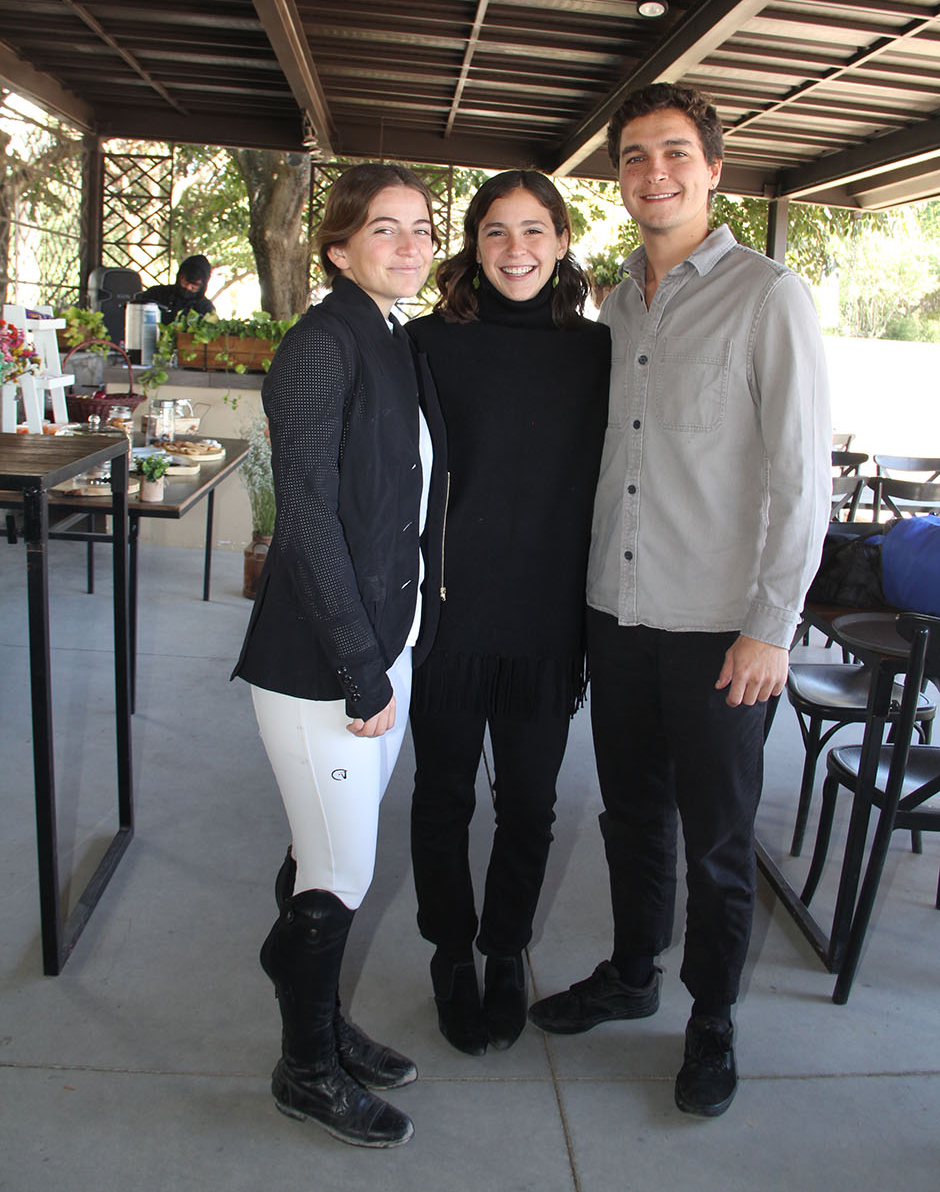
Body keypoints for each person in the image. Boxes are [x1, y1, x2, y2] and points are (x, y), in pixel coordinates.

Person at [528, 84, 831, 1117]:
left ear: (712, 168)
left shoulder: (766, 294)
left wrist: (769, 626)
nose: (651, 172)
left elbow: (801, 479)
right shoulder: (612, 304)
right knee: (630, 816)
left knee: (716, 837)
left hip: (719, 631)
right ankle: (629, 973)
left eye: (672, 153)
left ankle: (709, 1019)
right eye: (632, 157)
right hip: (616, 616)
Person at [232, 163, 446, 1148]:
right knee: (342, 870)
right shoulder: (324, 344)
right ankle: (304, 1068)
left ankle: (314, 1008)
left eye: (421, 229)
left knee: (321, 854)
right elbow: (307, 517)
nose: (409, 246)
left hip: (382, 646)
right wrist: (362, 665)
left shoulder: (391, 336)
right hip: (323, 661)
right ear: (339, 247)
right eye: (385, 230)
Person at [406, 170, 611, 1056]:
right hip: (449, 619)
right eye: (496, 231)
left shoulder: (599, 352)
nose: (516, 249)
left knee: (530, 803)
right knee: (442, 798)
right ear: (473, 245)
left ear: (563, 243)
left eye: (534, 231)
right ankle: (451, 951)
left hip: (546, 622)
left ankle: (503, 949)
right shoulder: (427, 345)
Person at [132, 253, 215, 323]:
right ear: (179, 277)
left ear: (203, 285)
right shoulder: (156, 294)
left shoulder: (206, 308)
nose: (188, 287)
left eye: (194, 285)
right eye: (185, 281)